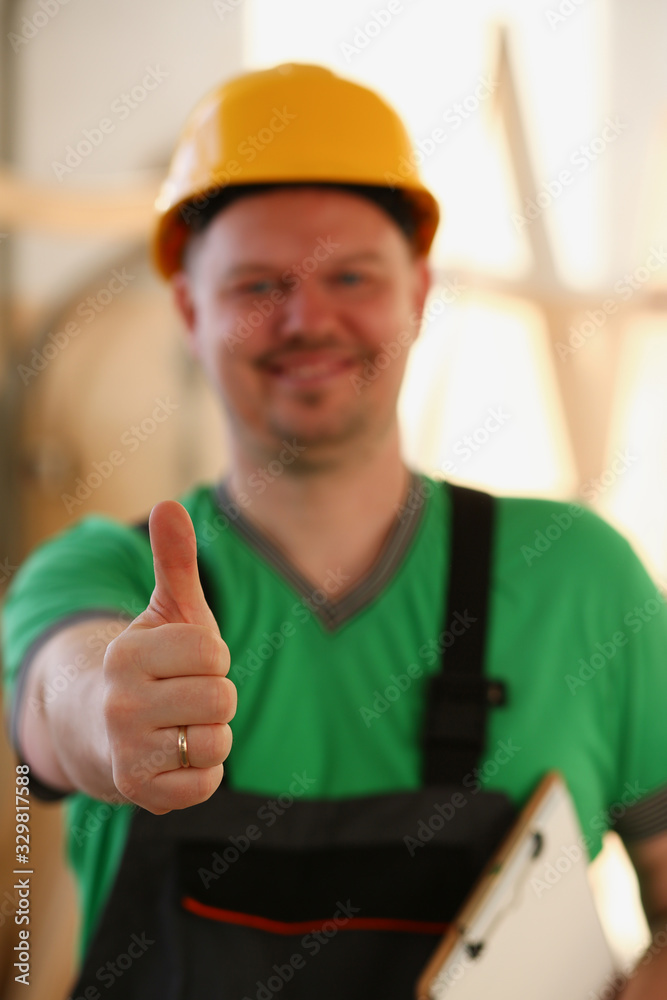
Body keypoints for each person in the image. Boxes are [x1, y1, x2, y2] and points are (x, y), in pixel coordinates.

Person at [2, 62, 667, 999]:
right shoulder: (100, 572)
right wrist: (107, 716)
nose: (308, 319)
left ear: (418, 294)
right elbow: (57, 700)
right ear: (191, 312)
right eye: (257, 285)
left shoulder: (585, 578)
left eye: (351, 276)